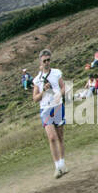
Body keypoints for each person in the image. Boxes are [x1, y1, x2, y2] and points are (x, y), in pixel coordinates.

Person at [32, 49, 69, 178]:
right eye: (44, 61)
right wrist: (43, 91)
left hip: (57, 107)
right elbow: (35, 98)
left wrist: (60, 95)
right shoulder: (37, 80)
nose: (47, 63)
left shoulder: (57, 73)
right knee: (51, 137)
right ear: (40, 62)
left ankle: (63, 164)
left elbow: (63, 87)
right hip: (46, 109)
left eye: (48, 60)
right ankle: (57, 166)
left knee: (60, 136)